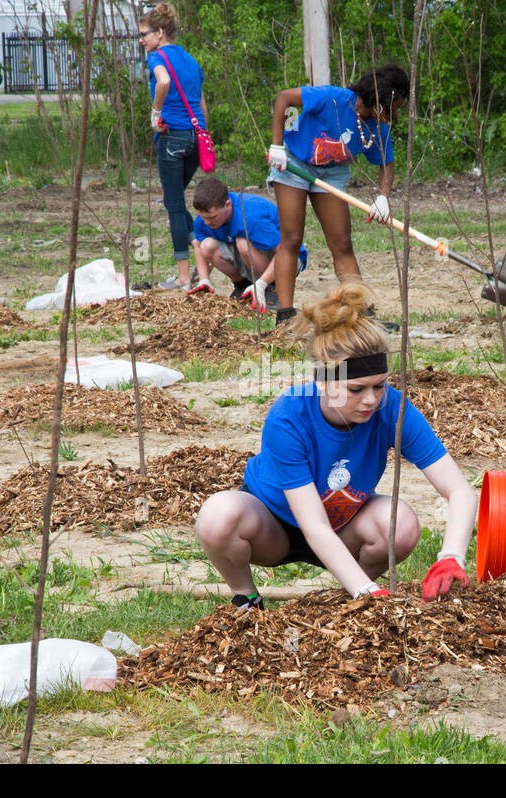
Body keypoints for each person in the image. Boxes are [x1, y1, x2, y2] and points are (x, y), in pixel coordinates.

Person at [195, 283, 476, 608]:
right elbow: (312, 524)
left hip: (343, 525)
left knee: (401, 525)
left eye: (379, 385)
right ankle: (247, 597)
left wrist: (451, 556)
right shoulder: (288, 417)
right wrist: (368, 593)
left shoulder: (392, 410)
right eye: (356, 389)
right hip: (273, 529)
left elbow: (459, 490)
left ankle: (350, 596)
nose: (371, 399)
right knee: (218, 516)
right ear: (323, 382)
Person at [265, 65, 408, 325]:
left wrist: (383, 196)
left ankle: (361, 316)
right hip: (294, 163)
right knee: (292, 238)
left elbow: (386, 162)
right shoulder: (331, 98)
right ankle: (285, 316)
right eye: (395, 106)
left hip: (331, 173)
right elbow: (284, 98)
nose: (395, 113)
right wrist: (277, 145)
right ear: (381, 100)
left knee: (342, 243)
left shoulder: (377, 127)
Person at [141, 3, 207, 291]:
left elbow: (164, 81)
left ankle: (182, 276)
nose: (141, 41)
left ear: (159, 32)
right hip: (196, 136)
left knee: (175, 206)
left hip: (172, 138)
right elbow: (202, 102)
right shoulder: (191, 60)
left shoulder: (157, 57)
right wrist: (204, 133)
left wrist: (156, 114)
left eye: (144, 34)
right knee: (174, 202)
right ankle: (200, 252)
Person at [187, 177, 306, 312]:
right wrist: (204, 280)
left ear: (228, 205)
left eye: (212, 218)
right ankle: (242, 287)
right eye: (203, 218)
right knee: (206, 246)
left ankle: (271, 289)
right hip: (255, 256)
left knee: (243, 244)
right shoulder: (204, 219)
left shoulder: (251, 218)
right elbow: (198, 244)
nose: (207, 223)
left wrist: (261, 284)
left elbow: (284, 251)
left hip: (289, 261)